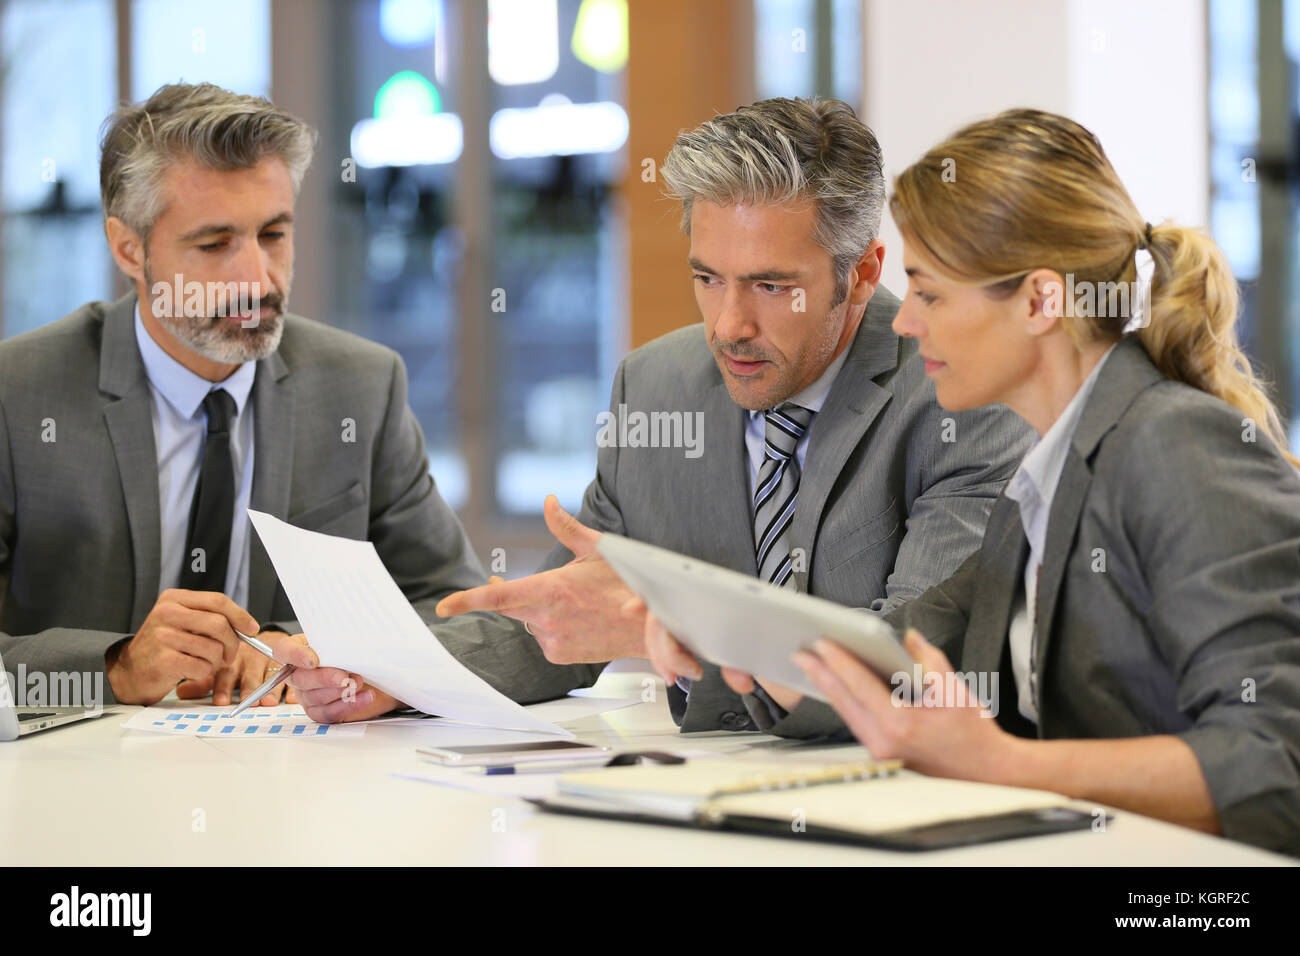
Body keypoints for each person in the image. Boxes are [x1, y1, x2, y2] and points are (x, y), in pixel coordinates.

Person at [651, 108, 1300, 855]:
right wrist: (716, 624)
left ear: (1038, 301)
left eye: (928, 293)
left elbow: (1277, 764)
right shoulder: (1043, 484)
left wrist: (1004, 766)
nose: (903, 323)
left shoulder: (1177, 448)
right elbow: (893, 649)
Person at [388, 97, 1032, 735]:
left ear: (861, 271)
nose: (729, 326)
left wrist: (666, 635)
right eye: (708, 278)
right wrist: (381, 673)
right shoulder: (654, 387)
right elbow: (563, 615)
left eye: (771, 286)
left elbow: (914, 666)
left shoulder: (961, 392)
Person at [0, 82, 499, 711]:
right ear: (130, 249)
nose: (256, 279)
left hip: (295, 778)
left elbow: (460, 610)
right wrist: (114, 669)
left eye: (273, 235)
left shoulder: (360, 388)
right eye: (214, 245)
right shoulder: (18, 395)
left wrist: (306, 647)